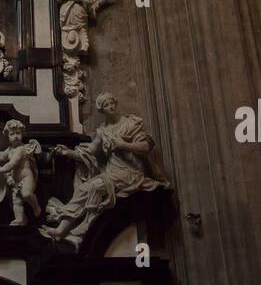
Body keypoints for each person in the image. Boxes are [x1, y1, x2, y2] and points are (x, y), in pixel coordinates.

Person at [41, 93, 167, 246]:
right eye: (106, 105)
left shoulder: (130, 124)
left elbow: (146, 146)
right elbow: (89, 152)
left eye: (112, 103)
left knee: (94, 187)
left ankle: (85, 227)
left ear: (115, 102)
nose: (111, 107)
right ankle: (61, 230)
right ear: (102, 110)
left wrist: (124, 145)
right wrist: (67, 152)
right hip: (112, 173)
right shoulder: (103, 131)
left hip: (130, 173)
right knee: (83, 189)